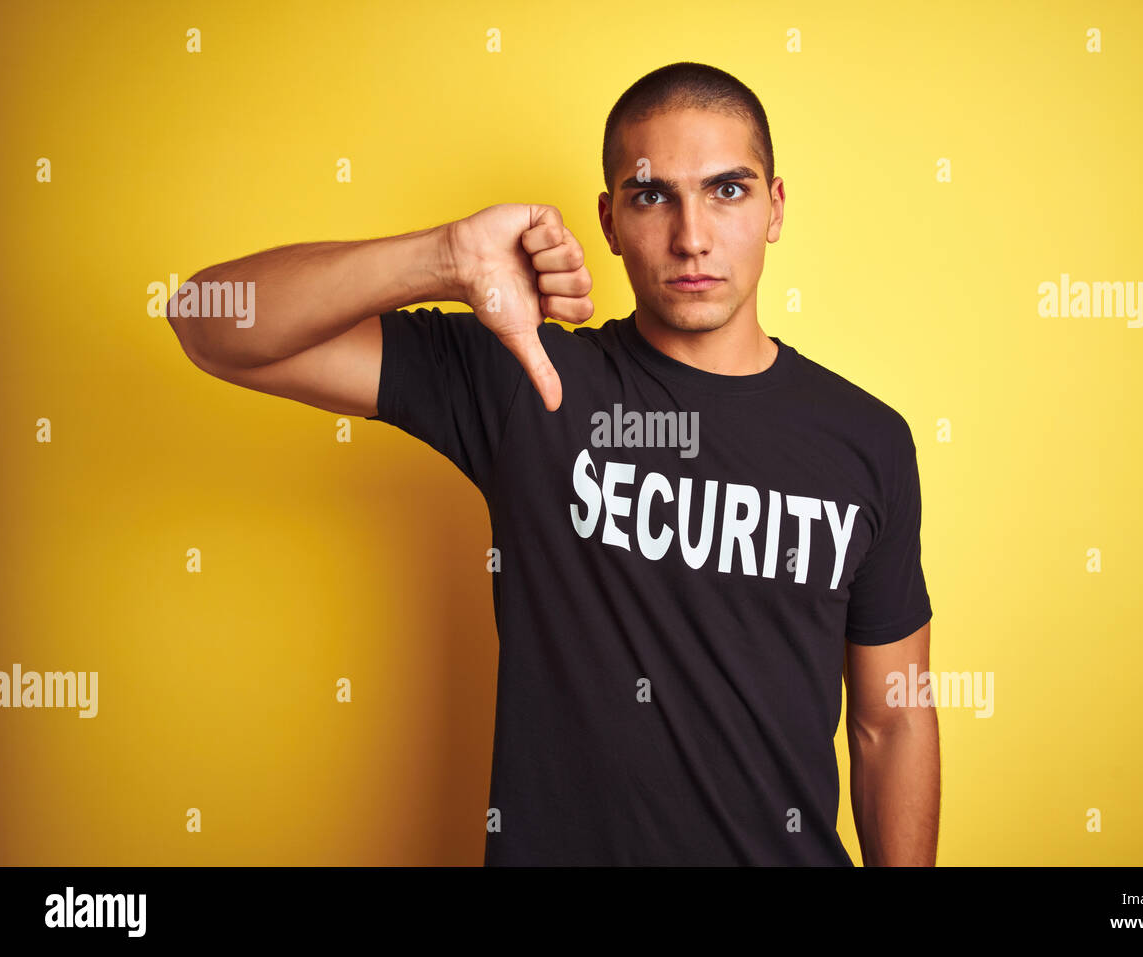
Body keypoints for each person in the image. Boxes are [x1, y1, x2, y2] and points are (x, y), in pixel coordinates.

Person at [166, 61, 938, 866]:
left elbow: (895, 719)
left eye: (728, 190)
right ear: (608, 219)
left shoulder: (868, 439)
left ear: (775, 207)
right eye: (651, 195)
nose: (692, 236)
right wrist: (444, 256)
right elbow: (209, 323)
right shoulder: (526, 374)